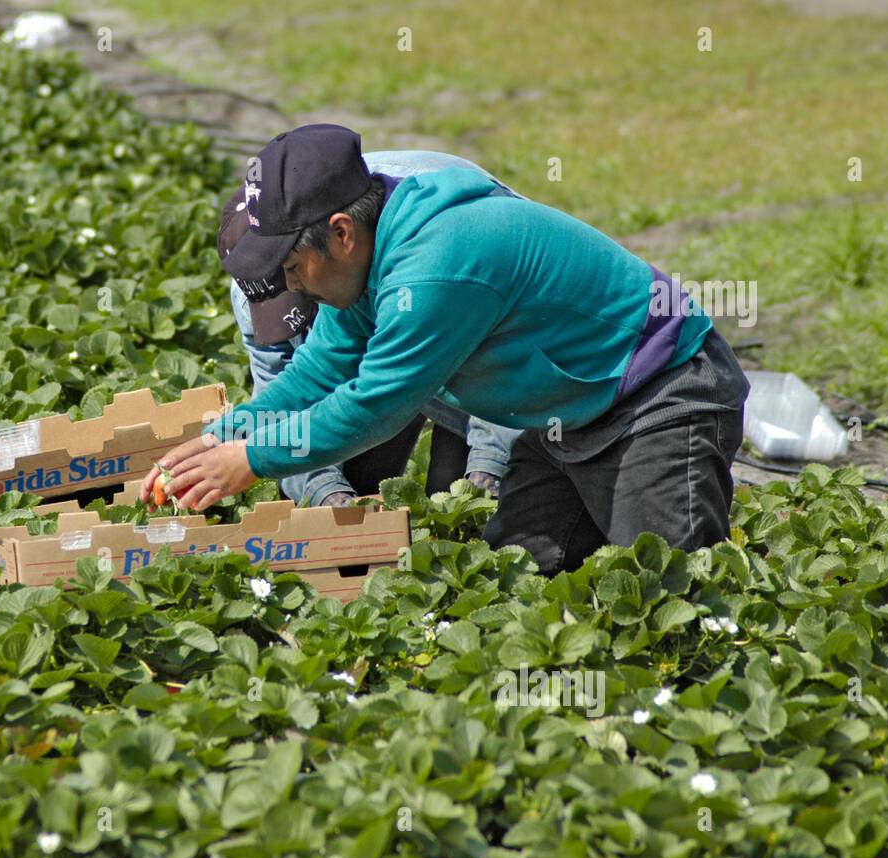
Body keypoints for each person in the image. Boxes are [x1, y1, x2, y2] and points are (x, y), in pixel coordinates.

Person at [144, 124, 750, 575]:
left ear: (341, 233)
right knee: (516, 574)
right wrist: (223, 436)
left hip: (659, 398)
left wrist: (252, 460)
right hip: (566, 420)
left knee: (675, 592)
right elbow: (320, 369)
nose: (292, 287)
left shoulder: (435, 268)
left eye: (293, 268)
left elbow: (374, 406)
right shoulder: (368, 261)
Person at [217, 149, 522, 506]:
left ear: (339, 240)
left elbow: (503, 352)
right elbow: (285, 404)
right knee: (357, 483)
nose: (302, 292)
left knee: (459, 490)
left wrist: (489, 463)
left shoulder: (412, 242)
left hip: (478, 328)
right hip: (405, 318)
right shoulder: (253, 291)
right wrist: (326, 493)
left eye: (297, 272)